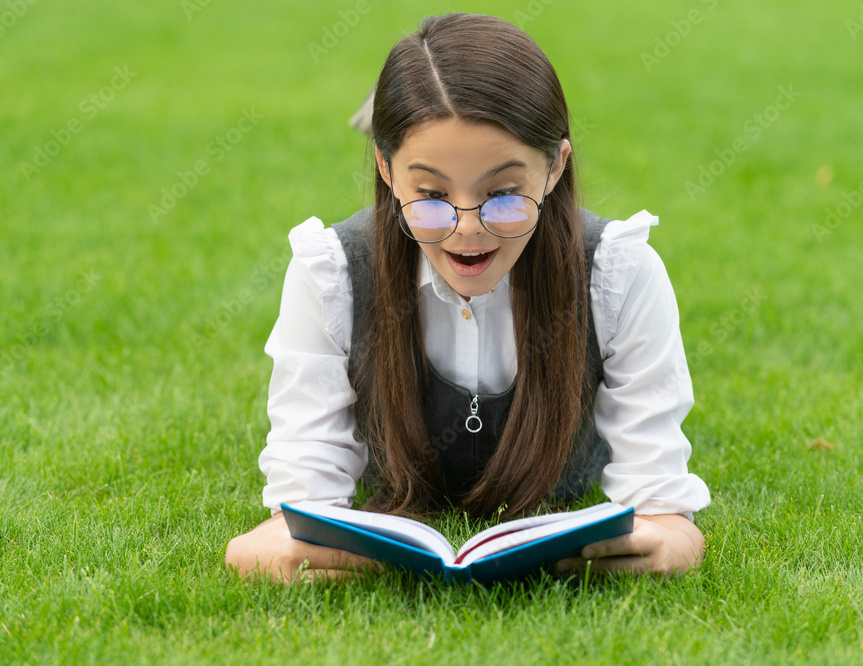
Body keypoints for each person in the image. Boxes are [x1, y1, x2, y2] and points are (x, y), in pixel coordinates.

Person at [225, 12, 710, 582]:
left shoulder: (618, 273)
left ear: (554, 166)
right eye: (430, 194)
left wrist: (667, 543)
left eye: (503, 194)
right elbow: (296, 510)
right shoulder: (331, 272)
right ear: (386, 169)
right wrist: (273, 550)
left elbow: (665, 513)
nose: (468, 229)